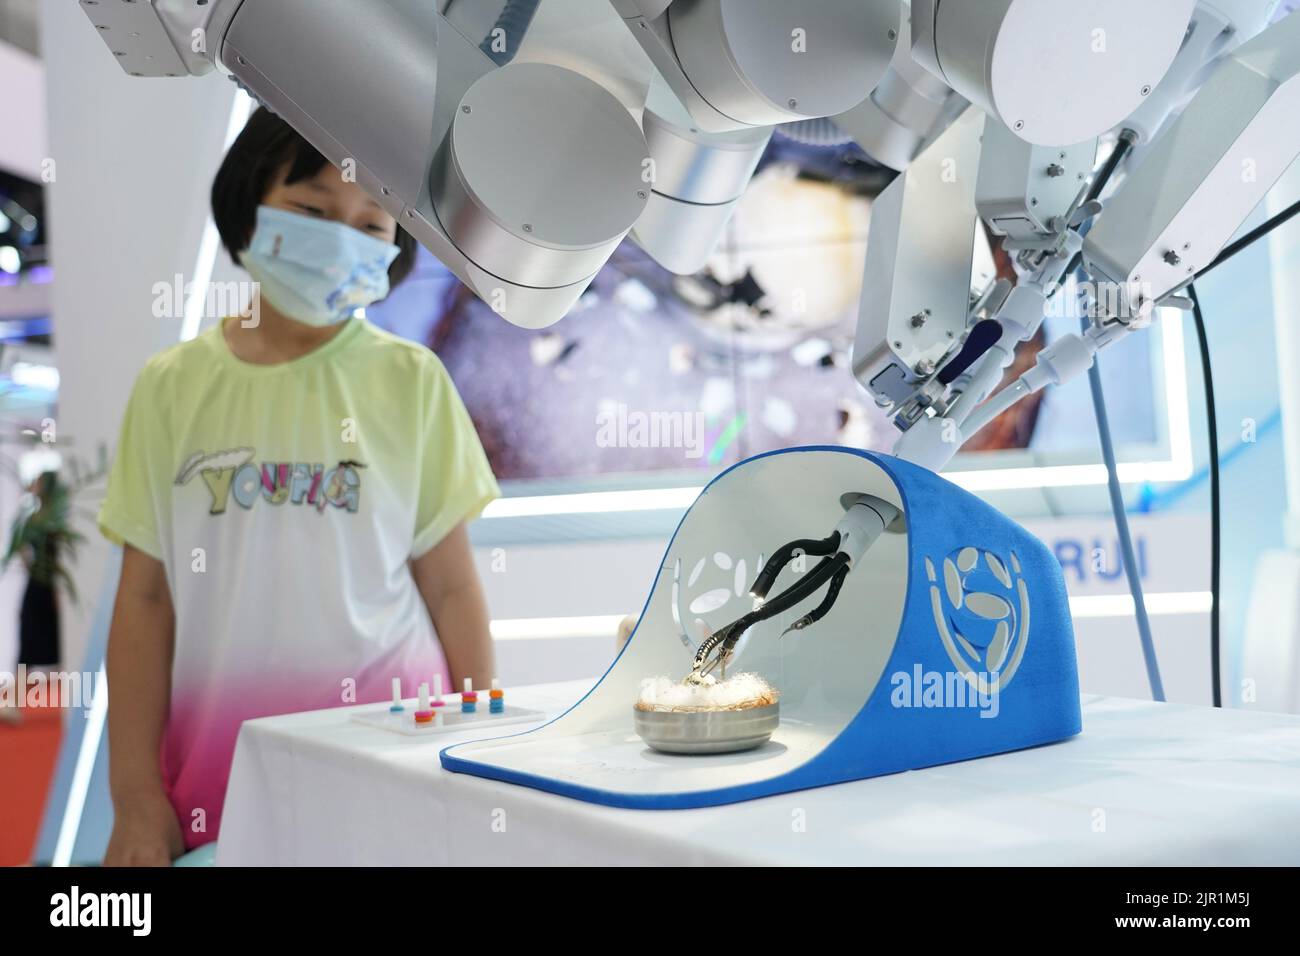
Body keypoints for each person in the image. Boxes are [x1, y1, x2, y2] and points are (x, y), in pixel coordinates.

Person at [98, 109, 500, 865]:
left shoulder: (411, 382)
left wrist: (481, 756)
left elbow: (451, 590)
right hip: (222, 767)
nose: (342, 239)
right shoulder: (170, 389)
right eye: (312, 212)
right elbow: (144, 604)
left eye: (373, 225)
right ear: (249, 203)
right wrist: (134, 797)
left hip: (400, 757)